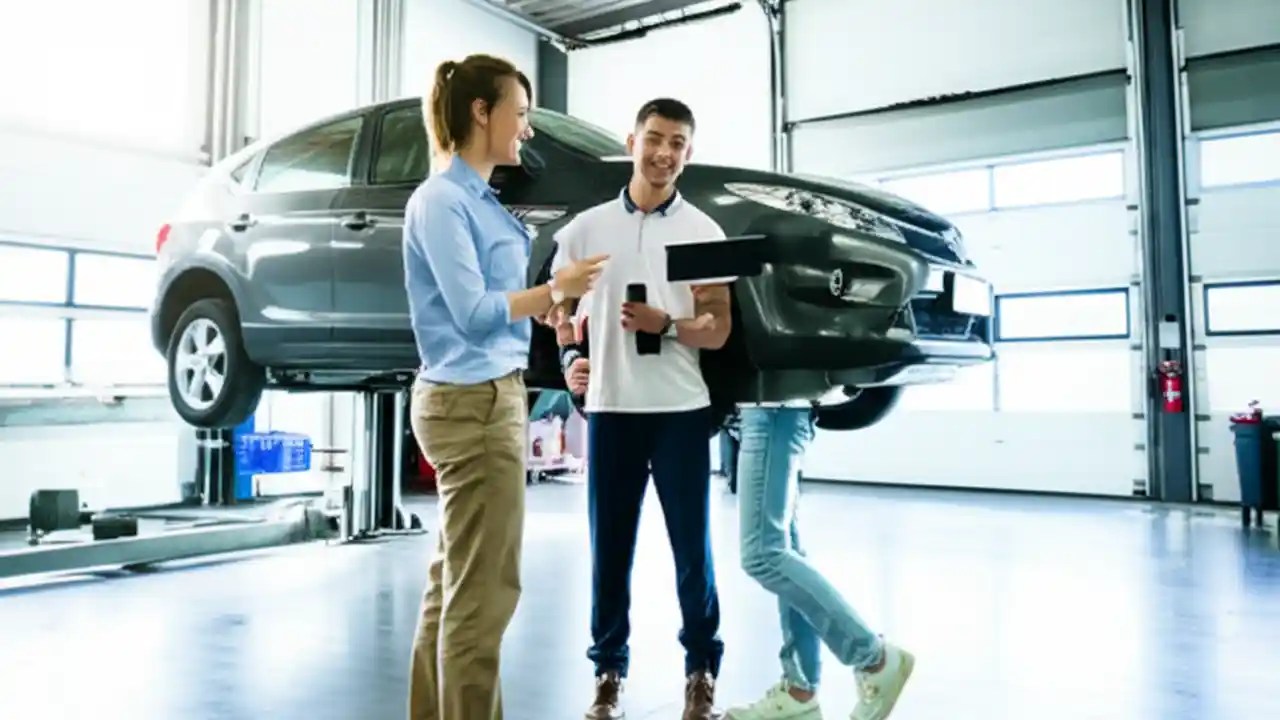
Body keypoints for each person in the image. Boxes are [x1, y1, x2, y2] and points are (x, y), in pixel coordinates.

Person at [402, 53, 607, 720]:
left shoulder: (478, 202)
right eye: (519, 114)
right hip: (474, 404)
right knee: (484, 594)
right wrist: (555, 290)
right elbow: (472, 313)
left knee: (454, 586)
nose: (526, 129)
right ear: (481, 113)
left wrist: (544, 307)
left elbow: (493, 303)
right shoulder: (441, 200)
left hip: (481, 394)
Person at [552, 98, 734, 720]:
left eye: (677, 142)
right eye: (654, 138)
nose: (664, 152)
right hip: (610, 410)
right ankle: (607, 675)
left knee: (693, 552)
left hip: (681, 411)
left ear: (688, 152)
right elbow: (559, 317)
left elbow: (720, 329)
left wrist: (671, 324)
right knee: (610, 550)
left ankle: (700, 673)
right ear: (632, 141)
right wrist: (568, 365)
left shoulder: (705, 233)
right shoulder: (583, 231)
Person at [722, 403, 915, 720]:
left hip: (773, 406)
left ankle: (874, 658)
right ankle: (800, 691)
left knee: (763, 554)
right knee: (784, 549)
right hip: (771, 408)